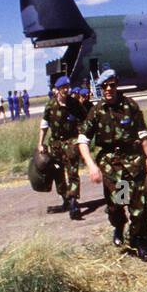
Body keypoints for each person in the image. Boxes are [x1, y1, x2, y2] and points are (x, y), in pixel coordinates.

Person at [77, 71, 147, 261]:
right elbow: (82, 140)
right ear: (101, 88)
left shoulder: (130, 106)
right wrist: (92, 166)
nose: (109, 89)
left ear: (116, 85)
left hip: (133, 162)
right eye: (105, 86)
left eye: (112, 85)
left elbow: (142, 134)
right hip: (112, 166)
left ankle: (139, 241)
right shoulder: (97, 110)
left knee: (138, 206)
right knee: (118, 203)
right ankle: (119, 227)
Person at [39, 77, 84, 219]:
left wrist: (81, 139)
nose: (66, 89)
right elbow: (44, 126)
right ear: (57, 90)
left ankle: (73, 201)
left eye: (67, 87)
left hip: (71, 142)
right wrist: (40, 143)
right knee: (58, 174)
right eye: (63, 87)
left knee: (73, 173)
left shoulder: (74, 103)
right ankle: (65, 199)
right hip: (56, 144)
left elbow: (85, 120)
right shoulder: (50, 106)